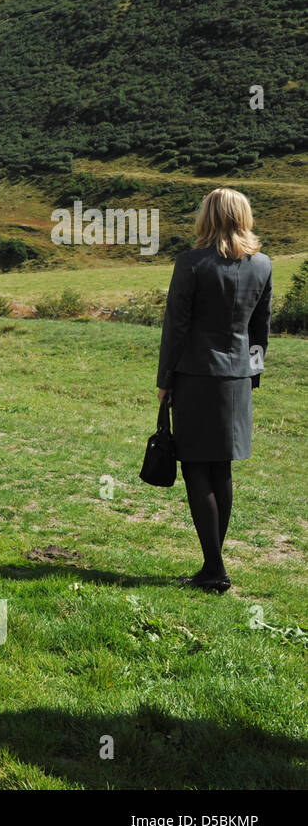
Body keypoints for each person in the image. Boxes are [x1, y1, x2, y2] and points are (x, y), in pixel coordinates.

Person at [157, 188, 272, 593]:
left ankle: (214, 568)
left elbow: (176, 327)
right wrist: (250, 376)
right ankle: (212, 566)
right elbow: (261, 330)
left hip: (195, 375)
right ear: (244, 216)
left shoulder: (191, 263)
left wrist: (164, 379)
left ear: (207, 217)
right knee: (221, 468)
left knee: (194, 467)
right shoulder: (263, 265)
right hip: (237, 379)